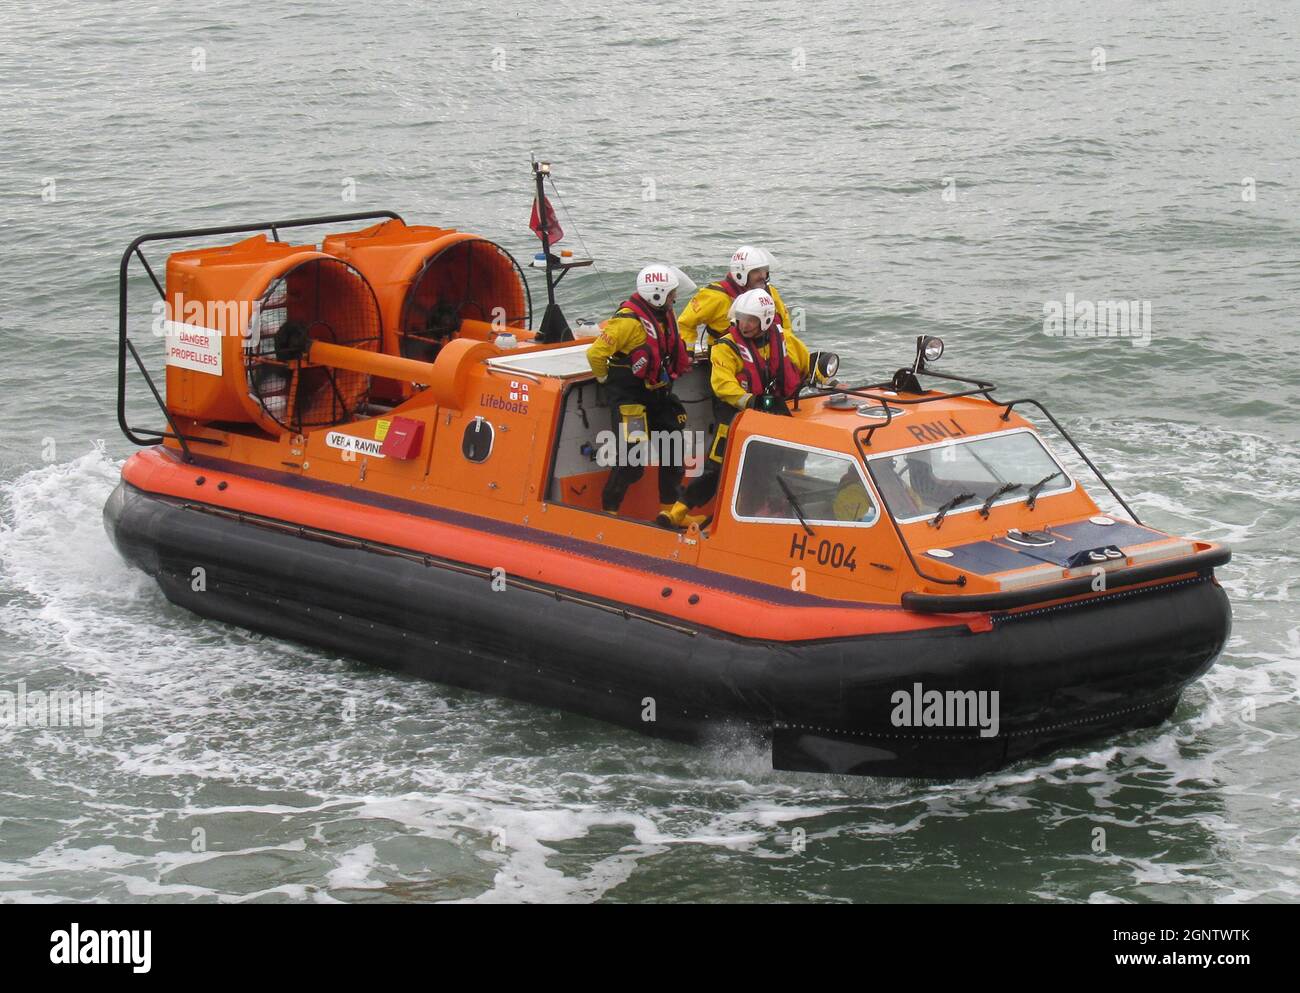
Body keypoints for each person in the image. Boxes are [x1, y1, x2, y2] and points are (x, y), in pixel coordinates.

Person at [657, 287, 822, 529]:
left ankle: (765, 512)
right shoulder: (726, 346)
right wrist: (750, 401)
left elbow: (806, 362)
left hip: (771, 415)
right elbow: (722, 384)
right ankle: (676, 513)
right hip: (735, 417)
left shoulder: (783, 338)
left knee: (779, 463)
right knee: (716, 469)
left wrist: (826, 378)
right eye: (742, 318)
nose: (744, 325)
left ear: (765, 320)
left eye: (751, 320)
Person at [586, 265, 691, 516]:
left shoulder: (665, 315)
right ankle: (609, 512)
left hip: (658, 395)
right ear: (657, 294)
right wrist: (603, 378)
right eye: (671, 294)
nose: (675, 298)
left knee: (673, 452)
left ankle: (669, 512)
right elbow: (596, 354)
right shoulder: (627, 324)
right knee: (631, 462)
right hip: (630, 400)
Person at [676, 246, 793, 358]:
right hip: (726, 357)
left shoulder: (770, 292)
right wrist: (688, 351)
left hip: (767, 356)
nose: (763, 276)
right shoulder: (715, 296)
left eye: (765, 270)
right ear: (740, 273)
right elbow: (685, 324)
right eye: (756, 271)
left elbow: (784, 323)